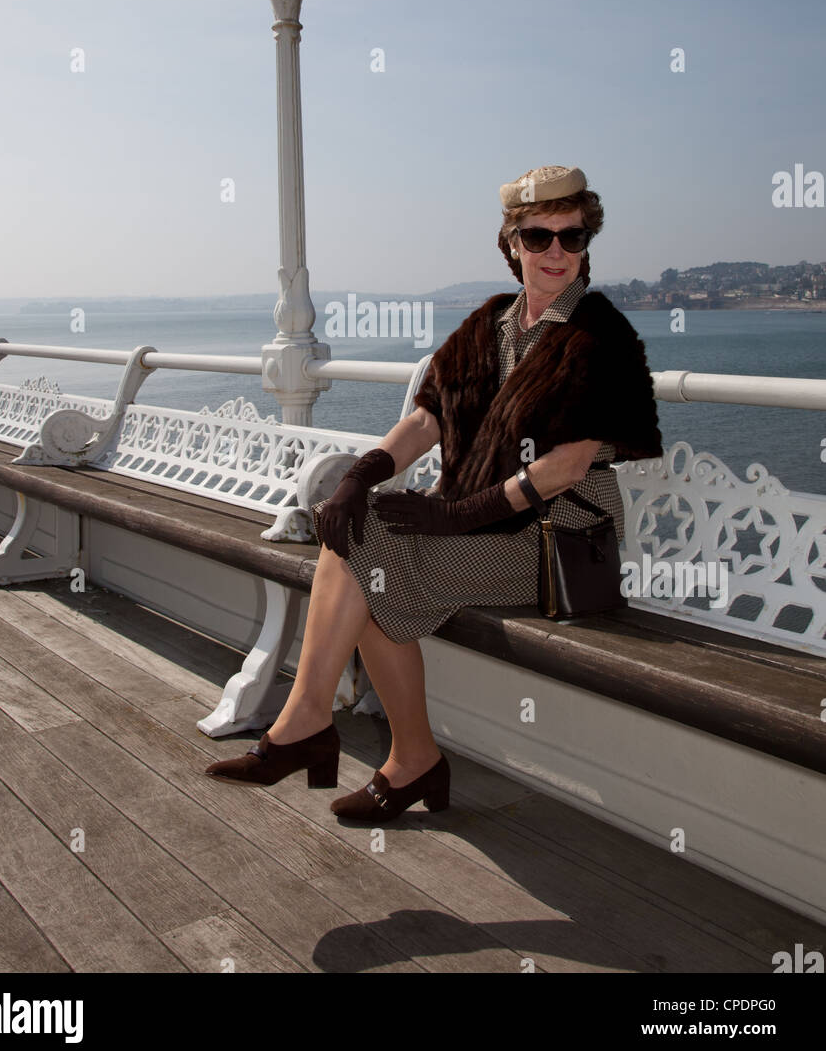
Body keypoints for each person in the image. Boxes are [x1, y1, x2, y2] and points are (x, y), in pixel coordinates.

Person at [205, 165, 663, 821]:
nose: (557, 253)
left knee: (370, 563)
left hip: (555, 542)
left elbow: (568, 465)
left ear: (588, 242)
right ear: (512, 245)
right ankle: (395, 753)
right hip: (483, 528)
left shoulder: (600, 336)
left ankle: (327, 733)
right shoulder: (486, 327)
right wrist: (358, 479)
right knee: (358, 536)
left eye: (573, 237)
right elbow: (425, 420)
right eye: (539, 237)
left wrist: (453, 516)